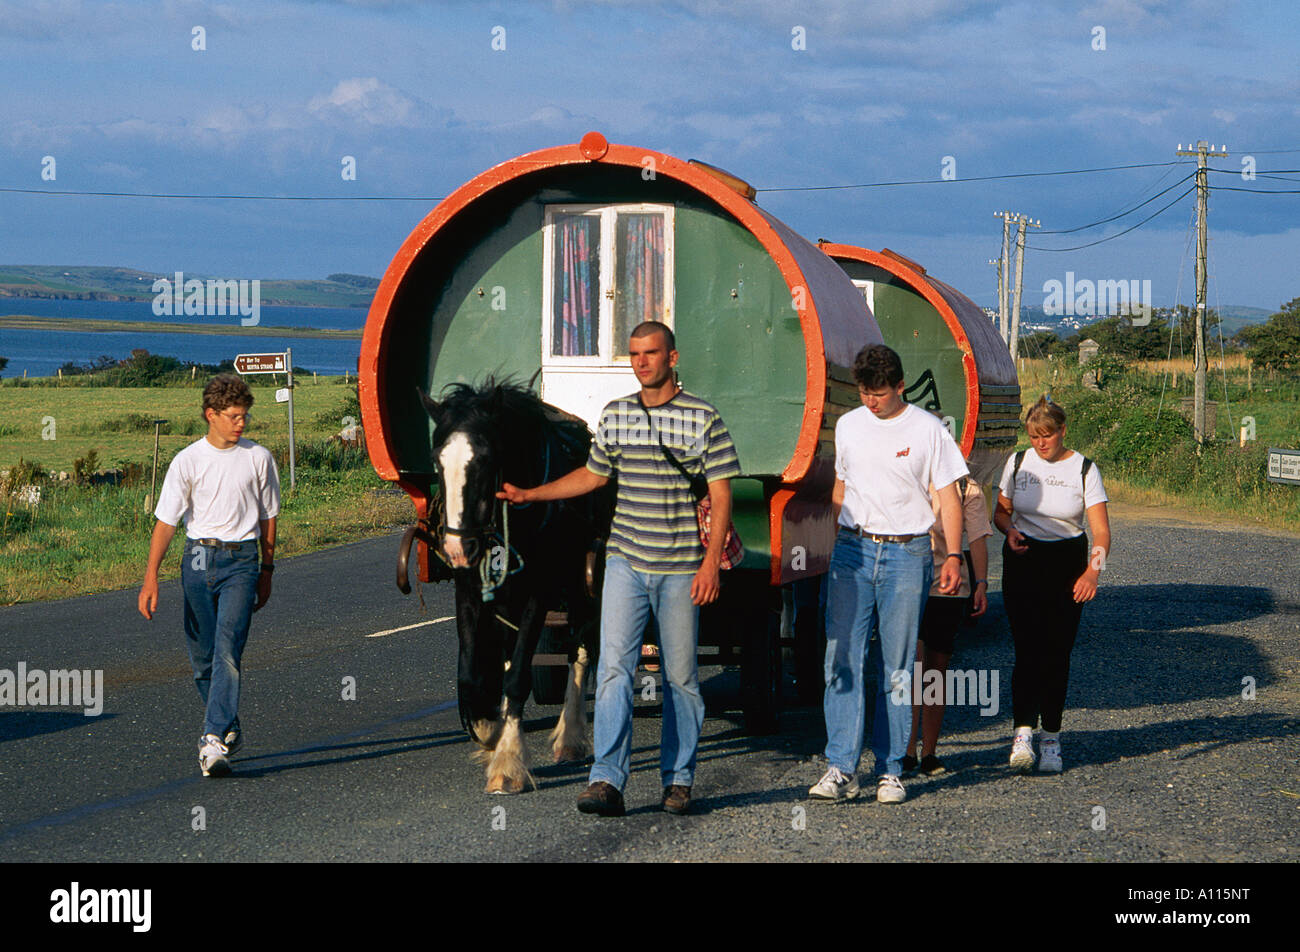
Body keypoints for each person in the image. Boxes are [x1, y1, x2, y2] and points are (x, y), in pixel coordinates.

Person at [499, 321, 740, 817]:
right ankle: (606, 780)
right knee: (613, 672)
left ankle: (678, 780)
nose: (641, 362)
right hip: (625, 561)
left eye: (650, 353)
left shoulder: (702, 417)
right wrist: (530, 494)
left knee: (681, 679)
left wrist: (711, 564)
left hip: (680, 568)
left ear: (672, 357)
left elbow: (720, 494)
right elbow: (592, 476)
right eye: (633, 354)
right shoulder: (616, 415)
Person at [810, 344, 968, 804]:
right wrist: (833, 540)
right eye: (864, 392)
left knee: (897, 665)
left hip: (907, 553)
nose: (871, 400)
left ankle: (891, 769)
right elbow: (842, 485)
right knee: (841, 659)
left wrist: (954, 556)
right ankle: (840, 767)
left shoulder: (928, 429)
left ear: (900, 386)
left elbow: (950, 495)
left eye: (879, 392)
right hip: (852, 551)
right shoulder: (848, 425)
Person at [138, 374, 280, 777]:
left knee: (227, 652)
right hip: (198, 561)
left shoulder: (259, 458)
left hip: (242, 562)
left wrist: (266, 570)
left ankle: (212, 739)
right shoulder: (188, 460)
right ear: (211, 415)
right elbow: (166, 523)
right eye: (234, 416)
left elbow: (269, 517)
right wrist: (151, 578)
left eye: (245, 416)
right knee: (202, 661)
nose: (242, 424)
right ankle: (228, 724)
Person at [994, 395, 1110, 773]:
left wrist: (1092, 572)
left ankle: (1052, 737)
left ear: (1062, 431)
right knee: (1027, 649)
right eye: (1034, 436)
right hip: (1025, 560)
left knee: (1057, 653)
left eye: (1047, 435)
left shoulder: (1084, 469)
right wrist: (1008, 531)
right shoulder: (1018, 462)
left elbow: (1102, 533)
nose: (1041, 443)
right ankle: (1023, 733)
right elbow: (1001, 511)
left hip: (1067, 563)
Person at [903, 476, 991, 776]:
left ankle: (929, 751)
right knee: (912, 667)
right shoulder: (907, 474)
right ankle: (905, 749)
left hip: (948, 587)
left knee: (935, 670)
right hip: (907, 582)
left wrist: (981, 583)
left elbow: (978, 537)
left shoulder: (967, 488)